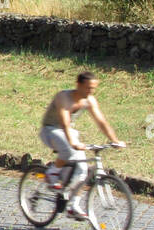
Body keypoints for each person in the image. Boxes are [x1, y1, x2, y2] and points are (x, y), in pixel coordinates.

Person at [40, 71, 125, 220]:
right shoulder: (63, 97)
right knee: (67, 147)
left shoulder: (89, 100)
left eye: (93, 89)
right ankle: (52, 172)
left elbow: (101, 122)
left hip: (69, 133)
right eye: (87, 88)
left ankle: (73, 206)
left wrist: (114, 140)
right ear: (78, 85)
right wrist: (73, 143)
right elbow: (65, 122)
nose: (90, 91)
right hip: (51, 129)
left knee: (82, 170)